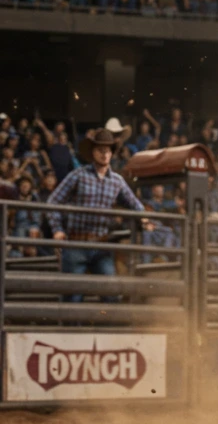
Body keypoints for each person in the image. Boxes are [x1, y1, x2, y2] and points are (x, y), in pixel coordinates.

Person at [45, 127, 152, 303]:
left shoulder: (117, 181)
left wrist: (145, 218)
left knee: (111, 293)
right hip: (76, 243)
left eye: (108, 150)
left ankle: (108, 328)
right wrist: (57, 229)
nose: (104, 154)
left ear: (111, 153)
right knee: (72, 297)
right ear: (93, 152)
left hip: (101, 244)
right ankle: (72, 327)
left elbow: (135, 204)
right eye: (100, 150)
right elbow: (53, 201)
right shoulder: (78, 175)